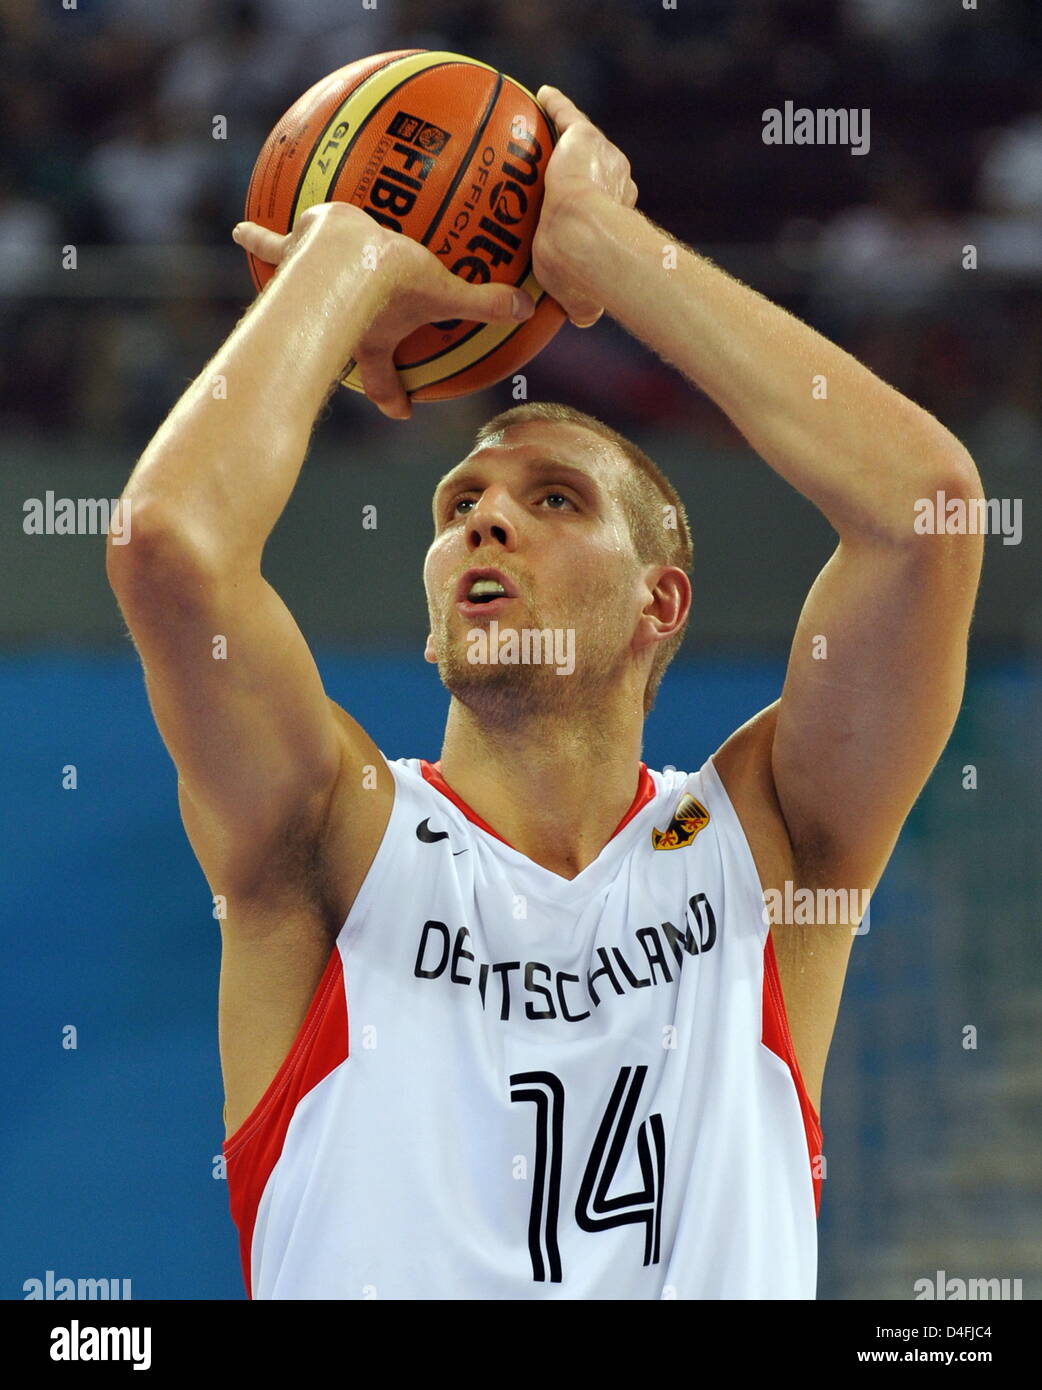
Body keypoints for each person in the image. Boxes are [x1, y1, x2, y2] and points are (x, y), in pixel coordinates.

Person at [106, 85, 984, 1299]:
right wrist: (347, 258)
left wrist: (606, 252)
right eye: (458, 506)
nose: (486, 524)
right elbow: (167, 544)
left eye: (552, 500)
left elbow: (927, 517)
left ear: (657, 605)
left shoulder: (767, 842)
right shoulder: (337, 836)